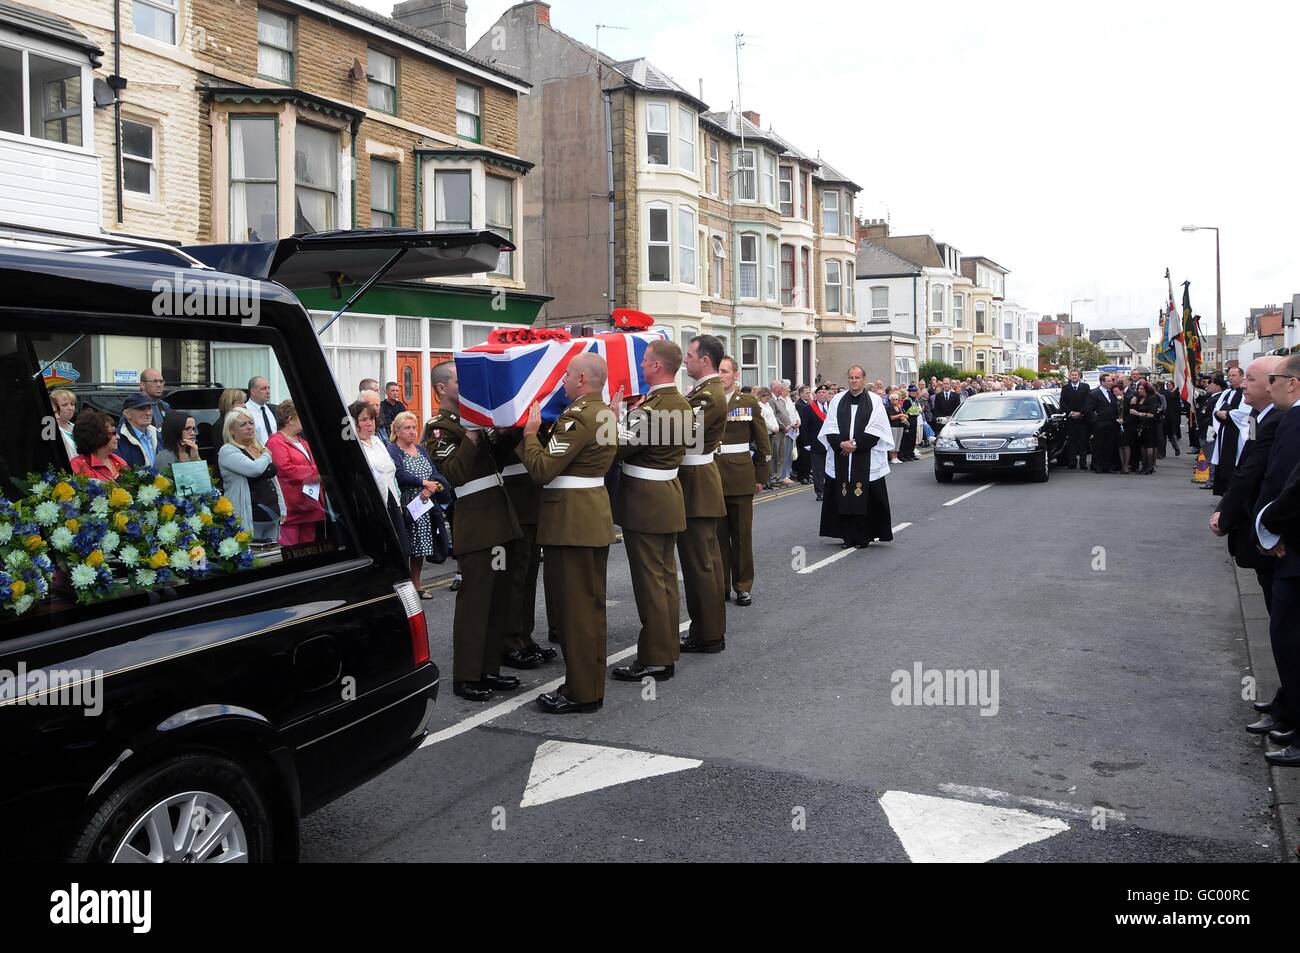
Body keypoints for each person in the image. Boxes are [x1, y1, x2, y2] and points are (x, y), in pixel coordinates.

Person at [521, 353, 619, 713]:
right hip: (591, 515)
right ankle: (588, 684)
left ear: (580, 379)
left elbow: (542, 469)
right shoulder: (605, 412)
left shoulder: (579, 417)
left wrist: (530, 436)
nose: (561, 381)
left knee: (575, 610)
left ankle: (581, 692)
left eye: (565, 376)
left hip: (571, 523)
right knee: (590, 609)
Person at [424, 362, 522, 703]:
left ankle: (489, 668)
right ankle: (467, 676)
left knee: (498, 602)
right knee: (475, 604)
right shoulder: (439, 429)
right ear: (441, 389)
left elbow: (501, 456)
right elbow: (455, 473)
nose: (464, 384)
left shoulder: (475, 418)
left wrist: (509, 430)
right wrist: (471, 436)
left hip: (499, 517)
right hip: (477, 523)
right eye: (457, 380)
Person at [609, 340, 692, 683]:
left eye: (645, 362)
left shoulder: (653, 409)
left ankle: (656, 658)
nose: (641, 367)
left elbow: (617, 448)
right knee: (665, 580)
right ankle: (666, 647)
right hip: (667, 496)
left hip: (645, 501)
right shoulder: (682, 404)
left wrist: (612, 418)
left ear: (658, 366)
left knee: (650, 584)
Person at [1249, 353, 1300, 767]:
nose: (1270, 386)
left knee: (1289, 636)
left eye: (1275, 379)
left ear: (1293, 383)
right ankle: (1289, 710)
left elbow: (1289, 484)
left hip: (1294, 549)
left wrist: (1270, 526)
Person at [1213, 357, 1283, 612]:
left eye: (1250, 379)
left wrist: (1225, 514)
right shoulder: (1257, 415)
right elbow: (1246, 461)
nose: (1243, 385)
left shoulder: (1276, 421)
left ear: (1271, 385)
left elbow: (1252, 472)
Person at [676, 334, 729, 654]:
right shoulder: (703, 392)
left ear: (705, 360)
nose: (685, 360)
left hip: (696, 482)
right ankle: (705, 630)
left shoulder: (708, 396)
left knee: (701, 564)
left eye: (690, 355)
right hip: (697, 481)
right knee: (702, 562)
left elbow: (681, 434)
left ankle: (708, 634)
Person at [715, 355, 771, 608]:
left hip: (740, 476)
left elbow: (763, 442)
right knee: (717, 538)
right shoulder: (705, 401)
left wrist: (761, 476)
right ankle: (721, 586)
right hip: (712, 477)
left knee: (741, 537)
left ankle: (743, 586)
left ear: (735, 375)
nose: (721, 375)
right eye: (718, 371)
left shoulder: (747, 402)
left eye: (725, 371)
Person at [818, 365, 894, 548]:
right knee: (843, 495)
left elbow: (877, 429)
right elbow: (830, 426)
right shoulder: (837, 400)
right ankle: (847, 536)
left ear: (863, 379)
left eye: (857, 378)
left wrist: (856, 444)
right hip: (842, 456)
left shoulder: (875, 401)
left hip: (865, 456)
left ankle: (863, 536)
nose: (853, 381)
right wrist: (839, 444)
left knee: (865, 497)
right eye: (851, 377)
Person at [387, 410, 450, 596]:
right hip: (406, 505)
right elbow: (398, 474)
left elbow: (434, 471)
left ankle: (417, 584)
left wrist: (432, 486)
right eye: (407, 428)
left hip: (425, 505)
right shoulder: (393, 450)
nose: (412, 431)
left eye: (414, 427)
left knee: (420, 547)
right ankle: (405, 587)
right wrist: (423, 483)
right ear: (397, 431)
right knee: (406, 548)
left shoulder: (421, 449)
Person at [219, 407, 286, 544]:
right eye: (243, 424)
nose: (249, 427)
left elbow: (273, 480)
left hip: (272, 513)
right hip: (250, 516)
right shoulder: (227, 451)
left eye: (251, 423)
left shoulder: (258, 446)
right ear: (231, 430)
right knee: (255, 559)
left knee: (272, 556)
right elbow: (254, 469)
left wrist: (282, 507)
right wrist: (267, 454)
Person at [267, 400, 328, 547]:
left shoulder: (303, 441)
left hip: (310, 502)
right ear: (290, 420)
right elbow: (285, 468)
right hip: (292, 503)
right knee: (290, 548)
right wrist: (315, 471)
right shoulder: (275, 442)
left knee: (309, 548)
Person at [1211, 366, 1246, 495]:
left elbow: (1245, 411)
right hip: (1224, 429)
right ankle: (1223, 491)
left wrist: (1228, 414)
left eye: (1234, 375)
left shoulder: (1245, 392)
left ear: (1242, 376)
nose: (1231, 378)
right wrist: (1218, 414)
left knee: (1234, 461)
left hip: (1236, 431)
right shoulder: (1227, 392)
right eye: (1230, 375)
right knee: (1223, 461)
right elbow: (1216, 408)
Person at [69, 411, 129, 482]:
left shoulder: (120, 462)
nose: (118, 437)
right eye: (113, 433)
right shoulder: (77, 465)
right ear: (98, 435)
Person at [1085, 373, 1121, 473]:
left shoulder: (1111, 393)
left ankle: (1107, 465)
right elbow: (1089, 410)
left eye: (1111, 381)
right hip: (1099, 425)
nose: (1111, 383)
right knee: (1098, 446)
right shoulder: (1094, 394)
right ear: (1102, 382)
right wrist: (1095, 421)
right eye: (1109, 381)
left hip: (1111, 424)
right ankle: (1098, 466)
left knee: (1109, 445)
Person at [799, 385, 830, 498]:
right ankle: (820, 492)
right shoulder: (809, 408)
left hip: (831, 444)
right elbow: (804, 427)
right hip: (816, 444)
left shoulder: (833, 407)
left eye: (824, 392)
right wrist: (806, 443)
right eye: (819, 392)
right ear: (816, 395)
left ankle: (830, 491)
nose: (822, 394)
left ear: (828, 394)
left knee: (830, 469)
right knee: (818, 470)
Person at [116, 393, 159, 470]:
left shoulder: (158, 434)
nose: (148, 413)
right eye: (142, 409)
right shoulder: (117, 438)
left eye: (149, 408)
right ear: (127, 414)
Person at [1059, 369, 1091, 470]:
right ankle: (1072, 462)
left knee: (1083, 441)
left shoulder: (1085, 387)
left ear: (1079, 376)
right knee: (1071, 442)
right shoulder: (1065, 388)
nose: (1074, 377)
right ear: (1070, 376)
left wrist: (1081, 413)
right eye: (1072, 375)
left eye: (1076, 375)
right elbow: (1062, 402)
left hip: (1082, 419)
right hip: (1071, 419)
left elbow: (1088, 401)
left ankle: (1083, 462)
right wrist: (1070, 413)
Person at [1127, 379, 1161, 474]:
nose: (1140, 390)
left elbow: (1152, 414)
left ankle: (1149, 467)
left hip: (1150, 425)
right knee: (1142, 446)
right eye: (1139, 389)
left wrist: (1138, 413)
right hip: (1141, 425)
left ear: (1147, 389)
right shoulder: (1139, 397)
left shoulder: (1152, 398)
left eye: (1142, 389)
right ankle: (1144, 466)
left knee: (1149, 446)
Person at [758, 387, 783, 487]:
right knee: (766, 456)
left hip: (772, 432)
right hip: (766, 432)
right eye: (766, 397)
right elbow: (763, 420)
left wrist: (776, 426)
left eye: (768, 397)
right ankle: (765, 480)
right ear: (761, 396)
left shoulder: (767, 405)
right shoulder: (759, 406)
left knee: (770, 456)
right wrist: (773, 427)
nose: (768, 399)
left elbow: (772, 417)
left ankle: (768, 479)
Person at [213, 387, 247, 453]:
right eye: (240, 403)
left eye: (244, 402)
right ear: (229, 404)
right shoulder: (221, 425)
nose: (244, 406)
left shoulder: (242, 421)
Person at [246, 376, 278, 446]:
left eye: (268, 388)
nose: (268, 392)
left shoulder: (274, 409)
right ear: (253, 391)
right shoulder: (244, 411)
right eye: (263, 389)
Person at [50, 388, 77, 461]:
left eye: (72, 404)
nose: (70, 408)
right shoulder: (50, 431)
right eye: (65, 405)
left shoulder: (76, 427)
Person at [1112, 384, 1131, 474]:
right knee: (1120, 445)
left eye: (1116, 391)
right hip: (1117, 425)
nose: (1114, 393)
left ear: (1122, 391)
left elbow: (1131, 413)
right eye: (1113, 391)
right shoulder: (1113, 400)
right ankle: (1122, 465)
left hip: (1127, 426)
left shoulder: (1128, 400)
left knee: (1126, 445)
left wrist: (1124, 421)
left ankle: (1126, 466)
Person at [1163, 380, 1184, 456]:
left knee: (1169, 434)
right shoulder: (1168, 393)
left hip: (1171, 415)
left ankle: (1172, 449)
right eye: (1167, 384)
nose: (1168, 385)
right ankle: (1175, 449)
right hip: (1169, 415)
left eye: (1169, 384)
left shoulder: (1175, 393)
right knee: (1170, 434)